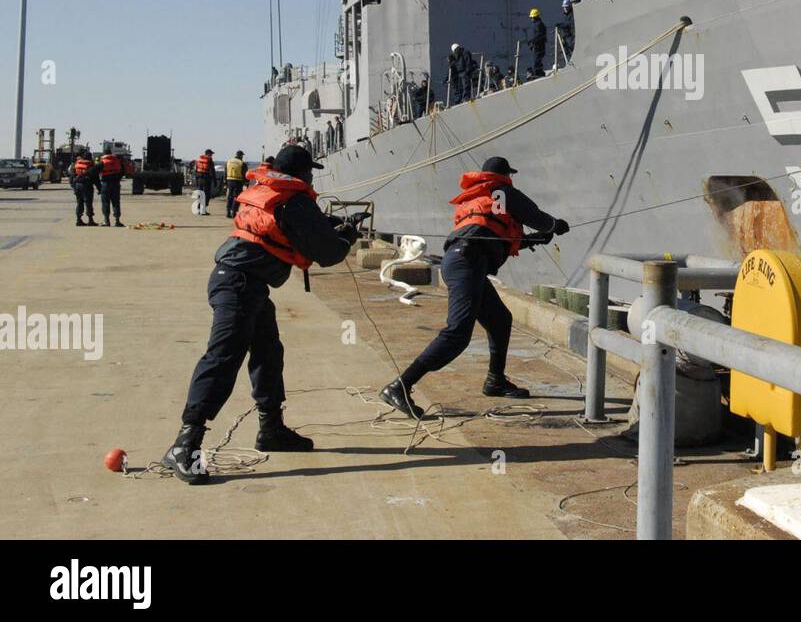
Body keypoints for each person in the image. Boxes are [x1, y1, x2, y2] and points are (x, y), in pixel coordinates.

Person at [161, 144, 360, 484]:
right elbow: (326, 253)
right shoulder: (295, 199)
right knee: (223, 357)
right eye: (310, 171)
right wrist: (347, 237)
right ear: (302, 173)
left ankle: (272, 429)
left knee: (268, 352)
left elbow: (291, 223)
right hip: (239, 285)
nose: (312, 176)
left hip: (243, 282)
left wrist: (329, 224)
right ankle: (185, 442)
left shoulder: (267, 188)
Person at [379, 157, 569, 416]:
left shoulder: (479, 199)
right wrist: (555, 226)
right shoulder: (501, 191)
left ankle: (496, 380)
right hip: (467, 263)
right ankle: (400, 385)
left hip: (465, 260)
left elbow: (491, 235)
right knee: (458, 333)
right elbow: (533, 215)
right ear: (505, 176)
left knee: (500, 319)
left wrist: (531, 239)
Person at [71, 150, 100, 227]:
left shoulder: (77, 164)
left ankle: (78, 220)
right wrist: (99, 189)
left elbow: (72, 176)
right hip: (87, 186)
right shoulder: (91, 166)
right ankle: (90, 220)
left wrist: (73, 187)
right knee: (88, 203)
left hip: (77, 185)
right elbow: (96, 179)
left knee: (79, 202)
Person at [99, 150, 126, 228]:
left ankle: (106, 221)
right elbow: (123, 171)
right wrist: (118, 178)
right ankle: (117, 221)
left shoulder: (102, 162)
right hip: (116, 184)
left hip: (105, 184)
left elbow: (94, 171)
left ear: (104, 154)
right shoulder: (117, 161)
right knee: (116, 202)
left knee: (105, 202)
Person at [225, 150, 247, 218]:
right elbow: (244, 174)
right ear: (241, 156)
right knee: (236, 197)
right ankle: (234, 212)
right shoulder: (242, 163)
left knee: (230, 196)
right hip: (238, 181)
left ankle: (228, 211)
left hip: (229, 181)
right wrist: (246, 183)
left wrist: (225, 182)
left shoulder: (228, 161)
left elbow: (225, 172)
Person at [195, 149, 216, 214]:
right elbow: (212, 171)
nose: (212, 155)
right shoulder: (209, 160)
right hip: (206, 179)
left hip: (199, 179)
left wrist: (196, 181)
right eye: (211, 154)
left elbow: (196, 170)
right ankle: (203, 210)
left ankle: (198, 209)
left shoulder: (199, 160)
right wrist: (215, 181)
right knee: (206, 195)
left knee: (200, 194)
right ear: (209, 154)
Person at [527, 8, 546, 77]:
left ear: (535, 17)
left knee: (537, 61)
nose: (531, 19)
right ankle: (539, 73)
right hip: (538, 46)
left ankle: (538, 74)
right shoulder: (538, 24)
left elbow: (539, 35)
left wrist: (532, 41)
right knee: (537, 60)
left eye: (532, 17)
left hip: (539, 46)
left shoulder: (538, 24)